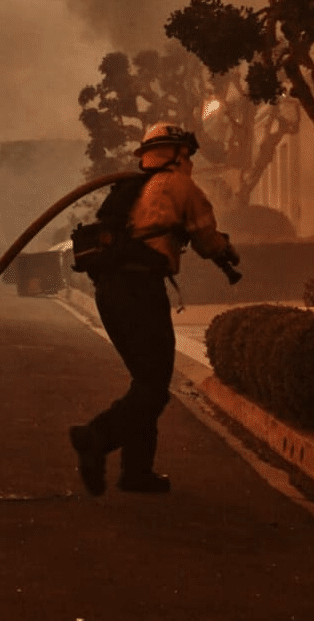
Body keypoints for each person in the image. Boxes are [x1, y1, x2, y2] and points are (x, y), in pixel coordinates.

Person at [70, 122, 238, 495]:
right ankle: (96, 436)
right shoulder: (179, 186)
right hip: (139, 290)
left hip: (111, 291)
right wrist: (226, 249)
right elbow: (207, 240)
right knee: (154, 386)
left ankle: (136, 472)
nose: (191, 163)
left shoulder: (134, 189)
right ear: (177, 153)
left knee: (146, 381)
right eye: (188, 155)